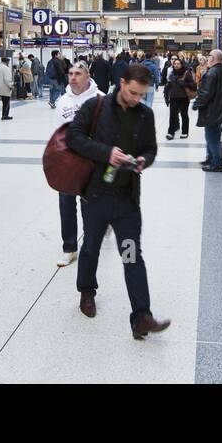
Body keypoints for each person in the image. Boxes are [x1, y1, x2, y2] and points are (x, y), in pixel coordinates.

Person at [65, 63, 170, 340]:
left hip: (126, 199)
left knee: (131, 254)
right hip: (96, 195)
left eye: (141, 95)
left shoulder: (145, 115)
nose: (137, 99)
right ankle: (87, 291)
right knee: (91, 247)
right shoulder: (95, 108)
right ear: (122, 83)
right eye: (133, 93)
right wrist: (106, 153)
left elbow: (151, 148)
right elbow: (73, 138)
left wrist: (144, 160)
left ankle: (141, 316)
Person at [52, 61, 103, 267]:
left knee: (90, 205)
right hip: (68, 161)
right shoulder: (63, 100)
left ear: (87, 75)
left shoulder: (101, 99)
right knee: (66, 203)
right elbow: (56, 130)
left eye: (78, 73)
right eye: (70, 73)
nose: (72, 77)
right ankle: (69, 247)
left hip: (91, 161)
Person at [194, 49, 222, 171]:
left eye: (209, 56)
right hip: (221, 110)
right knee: (211, 135)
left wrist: (197, 103)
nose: (207, 58)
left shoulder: (212, 73)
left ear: (213, 58)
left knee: (212, 137)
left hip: (212, 111)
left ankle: (217, 163)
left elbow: (206, 93)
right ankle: (210, 158)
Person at [164, 55, 196, 139]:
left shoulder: (186, 73)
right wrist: (167, 96)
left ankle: (185, 132)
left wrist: (185, 83)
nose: (176, 65)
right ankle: (170, 133)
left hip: (184, 98)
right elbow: (168, 86)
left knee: (184, 115)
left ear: (182, 65)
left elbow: (193, 85)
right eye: (175, 64)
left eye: (178, 63)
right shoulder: (172, 74)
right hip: (173, 98)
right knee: (172, 116)